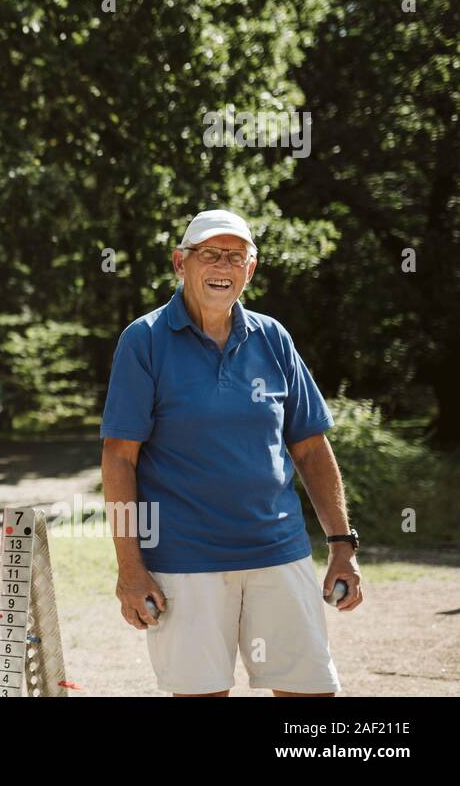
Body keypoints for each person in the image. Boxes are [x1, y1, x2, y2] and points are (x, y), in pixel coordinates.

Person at [99, 209, 361, 697]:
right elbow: (119, 459)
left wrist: (342, 545)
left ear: (250, 270)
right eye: (210, 254)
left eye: (235, 256)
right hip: (183, 562)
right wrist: (130, 569)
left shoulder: (273, 338)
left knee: (313, 693)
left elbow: (310, 447)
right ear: (181, 262)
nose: (223, 266)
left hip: (279, 553)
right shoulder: (145, 340)